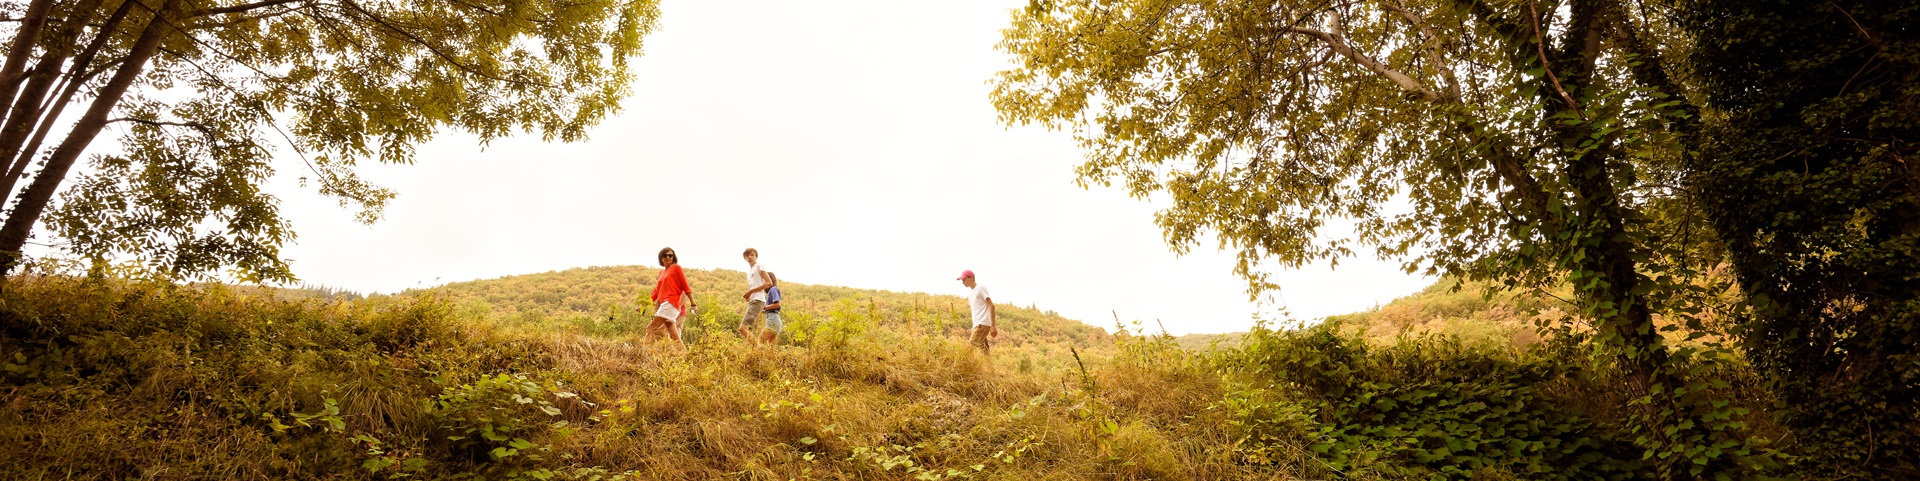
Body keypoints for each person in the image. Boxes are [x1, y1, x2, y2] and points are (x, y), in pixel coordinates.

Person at [644, 247, 694, 345]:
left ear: (673, 257)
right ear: (661, 258)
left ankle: (643, 351)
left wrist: (693, 303)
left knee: (651, 328)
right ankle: (684, 354)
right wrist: (643, 305)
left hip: (670, 303)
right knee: (674, 335)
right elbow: (656, 291)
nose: (668, 257)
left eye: (670, 255)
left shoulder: (676, 268)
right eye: (665, 255)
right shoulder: (662, 272)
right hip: (665, 303)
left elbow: (685, 287)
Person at [737, 248, 774, 345]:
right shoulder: (749, 272)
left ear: (756, 256)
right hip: (752, 301)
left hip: (758, 300)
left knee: (742, 328)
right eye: (747, 255)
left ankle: (758, 349)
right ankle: (755, 350)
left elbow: (769, 283)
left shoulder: (759, 266)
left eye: (752, 254)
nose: (749, 257)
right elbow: (752, 287)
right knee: (748, 329)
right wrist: (748, 296)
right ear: (745, 258)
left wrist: (750, 292)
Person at [957, 270, 997, 355]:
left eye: (964, 279)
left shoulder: (980, 288)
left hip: (982, 324)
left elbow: (991, 305)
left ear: (971, 277)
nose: (962, 282)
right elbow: (975, 312)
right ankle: (991, 368)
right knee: (985, 354)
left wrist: (993, 326)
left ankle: (963, 368)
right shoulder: (970, 295)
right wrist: (973, 327)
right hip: (977, 325)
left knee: (968, 350)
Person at [760, 272, 784, 346]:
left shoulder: (773, 289)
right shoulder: (770, 292)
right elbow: (772, 307)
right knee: (770, 347)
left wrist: (765, 307)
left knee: (760, 341)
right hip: (774, 320)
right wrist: (763, 310)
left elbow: (777, 305)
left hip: (773, 320)